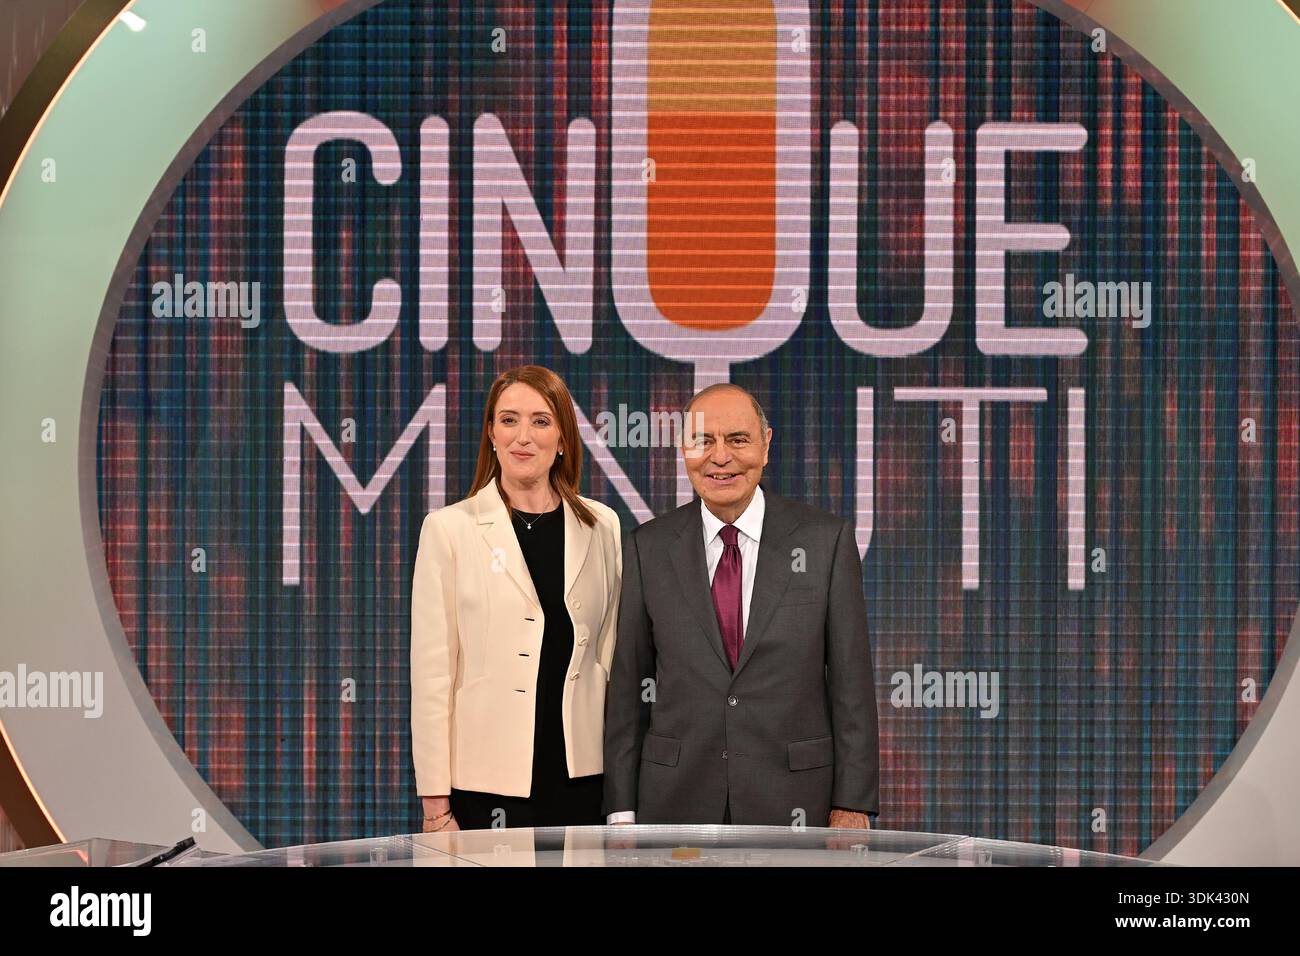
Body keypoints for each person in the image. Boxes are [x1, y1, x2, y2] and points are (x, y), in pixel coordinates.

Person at [603, 383, 879, 828]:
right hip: (675, 800)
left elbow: (852, 687)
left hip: (796, 800)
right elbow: (628, 690)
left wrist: (852, 802)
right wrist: (620, 809)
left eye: (737, 439)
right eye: (703, 441)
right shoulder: (646, 548)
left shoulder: (824, 542)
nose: (720, 457)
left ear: (766, 446)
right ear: (683, 450)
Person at [411, 365, 621, 831]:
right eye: (508, 420)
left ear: (563, 437)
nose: (522, 436)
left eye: (541, 421)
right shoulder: (450, 530)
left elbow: (609, 655)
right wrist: (435, 806)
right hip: (484, 784)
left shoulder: (602, 526)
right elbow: (431, 677)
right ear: (490, 434)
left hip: (581, 779)